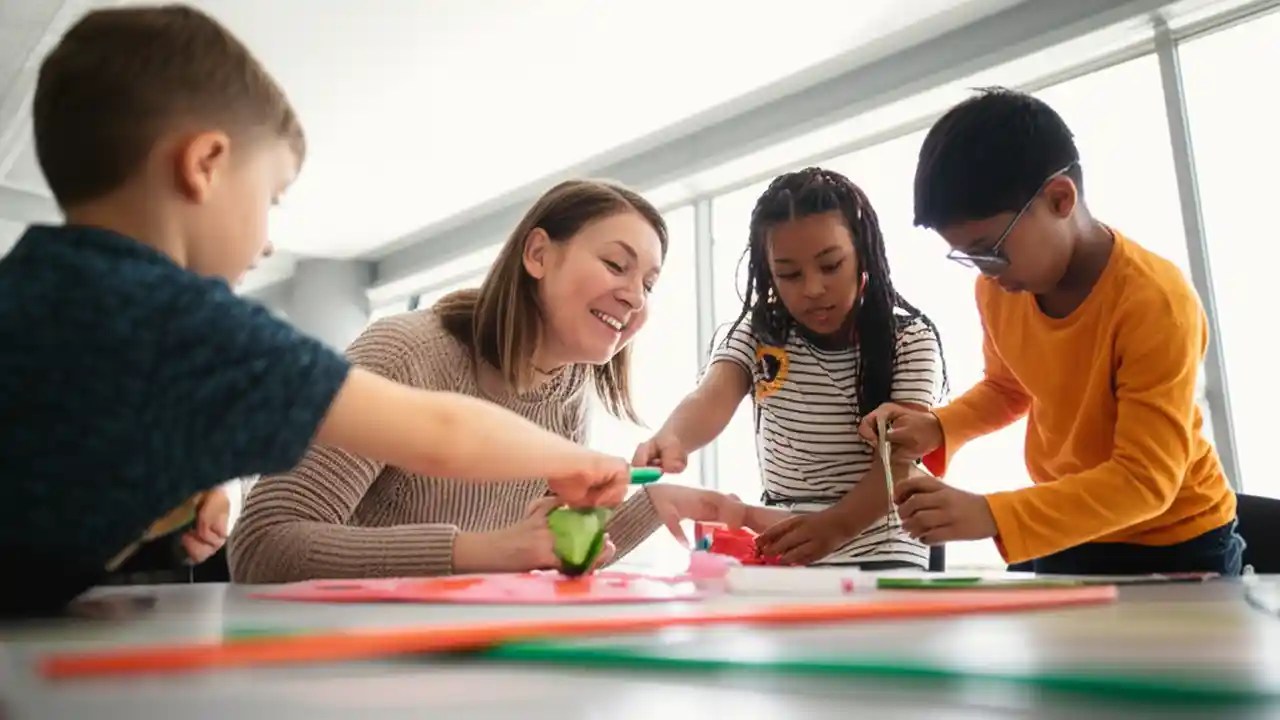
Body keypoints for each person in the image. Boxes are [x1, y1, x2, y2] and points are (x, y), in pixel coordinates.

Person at [0, 5, 629, 615]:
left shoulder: (33, 285)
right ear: (204, 165)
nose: (269, 239)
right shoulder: (189, 325)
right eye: (271, 196)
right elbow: (440, 434)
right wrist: (573, 461)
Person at [229, 180, 749, 582]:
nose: (636, 296)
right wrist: (481, 551)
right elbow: (265, 545)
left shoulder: (566, 392)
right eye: (617, 264)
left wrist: (655, 505)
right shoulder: (407, 353)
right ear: (538, 254)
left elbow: (535, 552)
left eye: (650, 284)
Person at [860, 87, 1243, 576]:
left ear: (1060, 198)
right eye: (970, 257)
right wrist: (939, 426)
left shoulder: (1155, 302)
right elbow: (1008, 387)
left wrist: (993, 515)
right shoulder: (999, 288)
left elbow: (1146, 481)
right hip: (1067, 527)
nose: (986, 270)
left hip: (1178, 540)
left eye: (989, 248)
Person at [633, 167, 947, 568]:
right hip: (787, 536)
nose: (813, 288)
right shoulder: (759, 334)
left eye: (831, 265)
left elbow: (901, 461)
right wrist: (672, 437)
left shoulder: (909, 339)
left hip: (883, 538)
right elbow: (710, 396)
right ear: (769, 275)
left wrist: (836, 525)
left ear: (862, 255)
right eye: (789, 274)